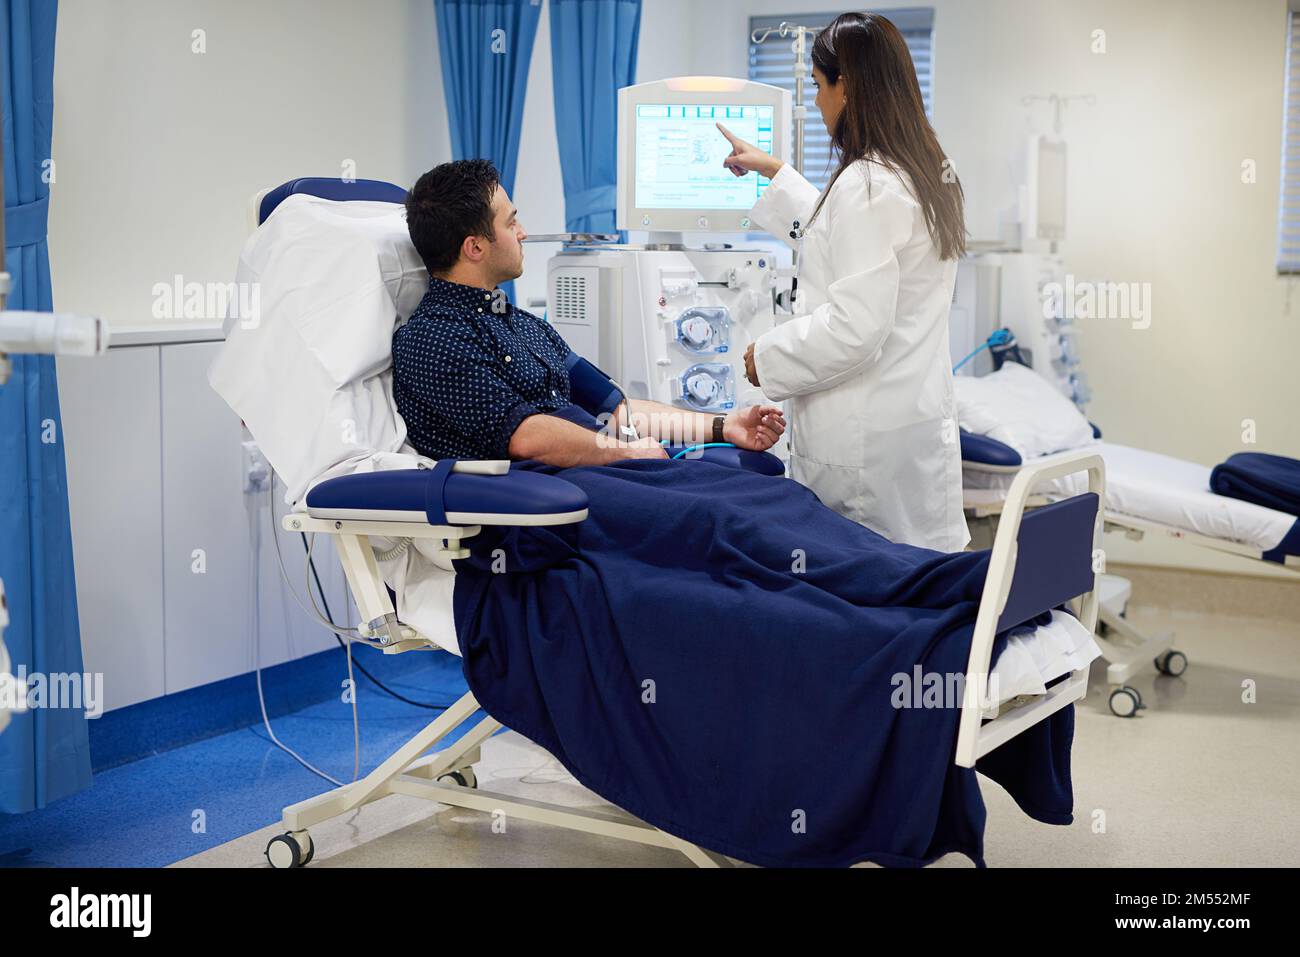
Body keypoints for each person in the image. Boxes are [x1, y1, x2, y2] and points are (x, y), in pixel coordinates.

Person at [717, 11, 969, 551]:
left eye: (818, 85)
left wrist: (769, 355)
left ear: (846, 86)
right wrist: (776, 172)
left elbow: (856, 327)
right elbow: (844, 240)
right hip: (909, 424)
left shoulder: (867, 184)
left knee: (866, 592)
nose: (818, 101)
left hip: (862, 445)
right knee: (918, 582)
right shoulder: (923, 172)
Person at [392, 159, 784, 467]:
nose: (523, 232)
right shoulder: (432, 340)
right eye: (512, 223)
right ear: (475, 248)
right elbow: (525, 436)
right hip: (549, 500)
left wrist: (723, 425)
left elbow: (618, 411)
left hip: (603, 471)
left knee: (761, 484)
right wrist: (625, 453)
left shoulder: (525, 326)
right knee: (734, 519)